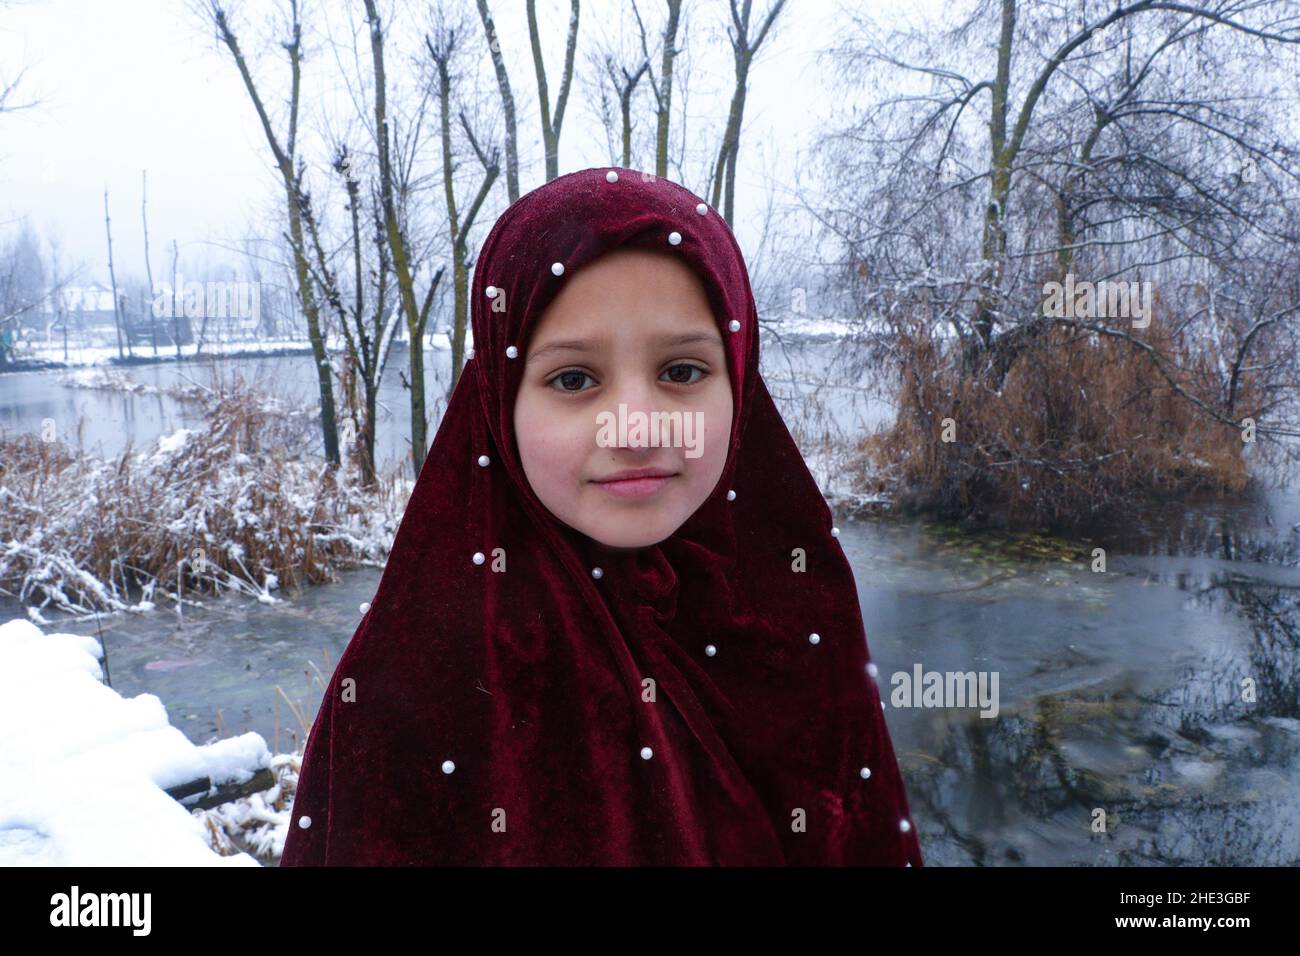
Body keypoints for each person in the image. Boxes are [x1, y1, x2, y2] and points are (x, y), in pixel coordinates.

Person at [279, 167, 924, 866]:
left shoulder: (795, 604)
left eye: (681, 372)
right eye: (574, 380)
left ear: (740, 380)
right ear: (500, 399)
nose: (636, 429)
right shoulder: (425, 670)